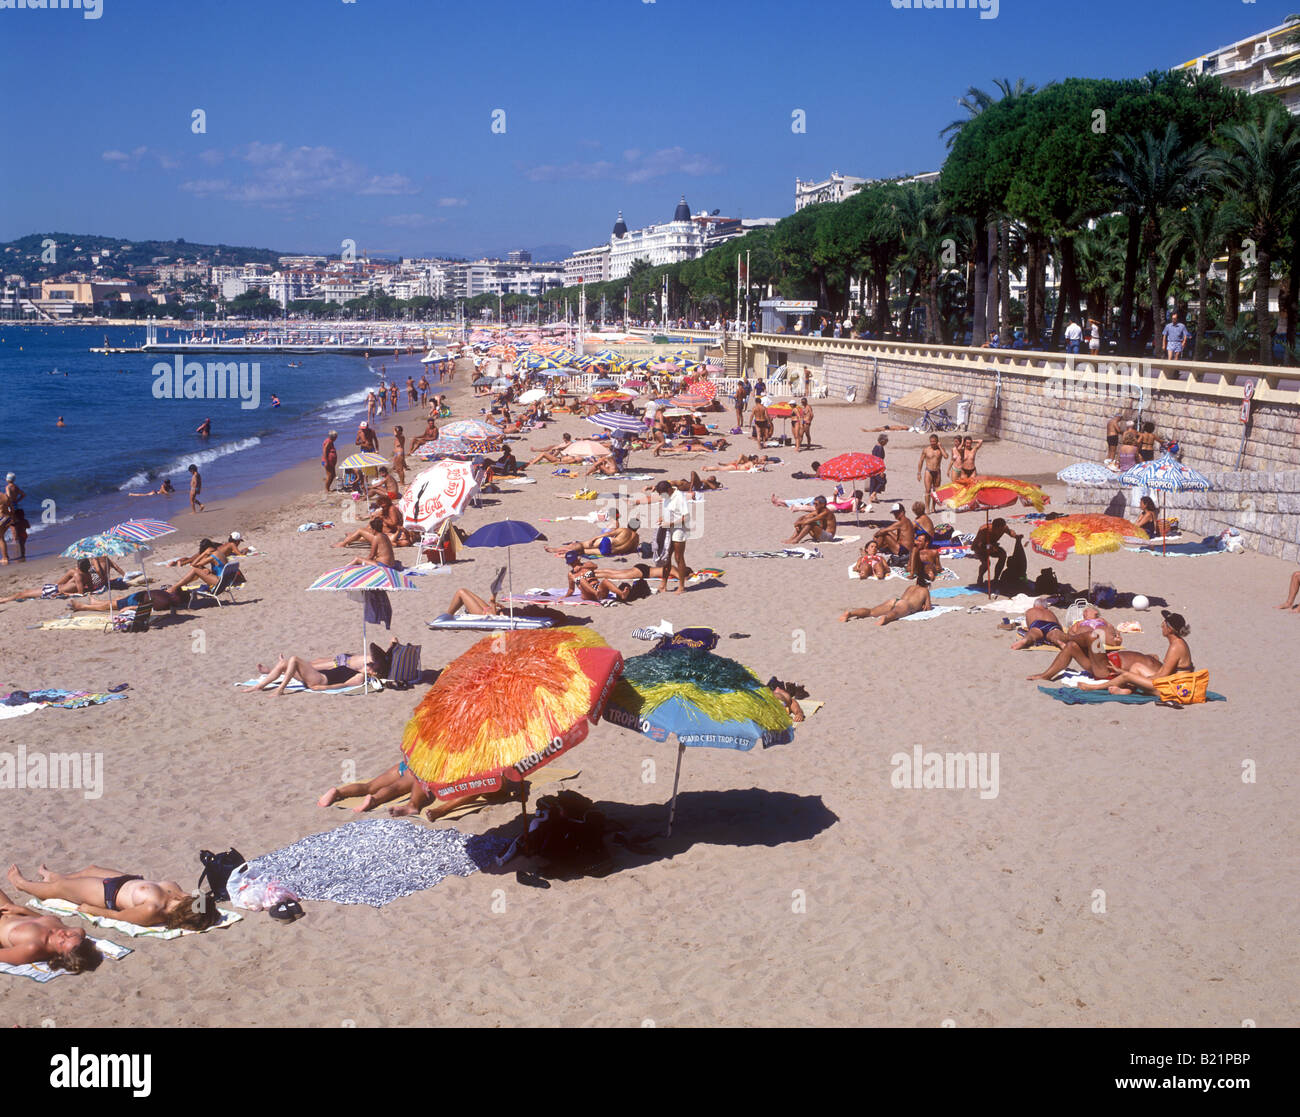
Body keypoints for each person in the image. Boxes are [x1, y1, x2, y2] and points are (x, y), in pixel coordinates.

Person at [8, 863, 218, 931]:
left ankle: (22, 884)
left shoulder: (153, 911)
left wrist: (92, 910)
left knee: (61, 888)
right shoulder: (179, 896)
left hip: (107, 894)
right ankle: (52, 876)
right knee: (88, 870)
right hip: (128, 881)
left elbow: (118, 917)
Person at [0, 873, 101, 972]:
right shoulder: (78, 932)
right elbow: (40, 921)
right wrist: (22, 910)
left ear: (59, 955)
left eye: (62, 942)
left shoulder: (33, 948)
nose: (63, 934)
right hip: (9, 910)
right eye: (69, 935)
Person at [243, 644, 391, 695]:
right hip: (316, 676)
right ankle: (259, 686)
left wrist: (319, 687)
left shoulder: (359, 678)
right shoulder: (359, 672)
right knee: (285, 664)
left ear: (374, 673)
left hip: (319, 679)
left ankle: (280, 689)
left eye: (372, 666)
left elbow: (342, 686)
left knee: (294, 659)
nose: (369, 664)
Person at [318, 760, 434, 817]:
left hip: (406, 763)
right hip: (421, 769)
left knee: (369, 786)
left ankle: (337, 792)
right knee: (395, 788)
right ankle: (374, 799)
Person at [840, 571, 933, 626]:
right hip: (906, 605)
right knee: (894, 614)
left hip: (896, 601)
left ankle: (850, 613)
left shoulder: (910, 587)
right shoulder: (925, 590)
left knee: (871, 612)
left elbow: (902, 599)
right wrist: (922, 607)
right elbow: (928, 608)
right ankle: (886, 618)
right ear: (927, 584)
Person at [0, 558, 95, 604]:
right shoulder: (87, 575)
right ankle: (5, 599)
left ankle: (4, 600)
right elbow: (90, 587)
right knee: (25, 593)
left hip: (55, 590)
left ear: (79, 566)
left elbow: (81, 593)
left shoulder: (77, 575)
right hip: (55, 588)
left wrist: (64, 593)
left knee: (23, 593)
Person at [656, 480, 692, 595]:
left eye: (662, 493)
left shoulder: (679, 497)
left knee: (678, 557)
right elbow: (668, 511)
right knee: (666, 556)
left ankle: (681, 586)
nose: (661, 496)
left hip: (679, 529)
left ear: (669, 490)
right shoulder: (666, 497)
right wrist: (662, 518)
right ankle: (663, 584)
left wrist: (670, 524)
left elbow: (685, 517)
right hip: (668, 529)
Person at [546, 513, 640, 557]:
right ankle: (563, 554)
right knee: (583, 551)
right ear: (637, 528)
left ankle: (556, 549)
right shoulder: (637, 537)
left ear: (628, 524)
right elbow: (632, 550)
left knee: (581, 545)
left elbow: (608, 533)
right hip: (611, 552)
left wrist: (594, 538)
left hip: (608, 542)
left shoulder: (624, 530)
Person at [333, 517, 400, 568]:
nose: (370, 530)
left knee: (357, 559)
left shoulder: (376, 538)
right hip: (392, 565)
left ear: (374, 529)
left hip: (383, 565)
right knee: (365, 560)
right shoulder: (385, 536)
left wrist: (364, 562)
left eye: (371, 529)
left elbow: (371, 555)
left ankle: (343, 569)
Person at [973, 518, 1022, 587]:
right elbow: (979, 544)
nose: (1000, 532)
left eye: (1002, 530)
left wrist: (1015, 536)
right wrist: (989, 547)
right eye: (998, 530)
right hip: (980, 548)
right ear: (994, 527)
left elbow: (1010, 532)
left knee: (1003, 555)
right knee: (986, 563)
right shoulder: (984, 530)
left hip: (993, 545)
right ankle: (980, 577)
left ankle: (996, 579)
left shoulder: (1004, 528)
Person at [917, 434, 947, 512]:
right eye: (931, 441)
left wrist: (940, 447)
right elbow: (921, 461)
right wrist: (919, 473)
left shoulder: (940, 450)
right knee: (927, 490)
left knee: (936, 490)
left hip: (937, 472)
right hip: (928, 471)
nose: (932, 443)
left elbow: (946, 456)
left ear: (937, 441)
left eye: (934, 441)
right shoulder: (926, 450)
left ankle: (933, 507)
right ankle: (927, 508)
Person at [0, 473, 27, 563]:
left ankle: (14, 540)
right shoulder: (16, 487)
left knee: (11, 526)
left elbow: (8, 496)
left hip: (8, 508)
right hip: (14, 505)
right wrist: (17, 500)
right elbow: (23, 494)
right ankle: (16, 538)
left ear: (7, 479)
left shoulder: (7, 487)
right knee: (14, 523)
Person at [868, 434, 888, 499]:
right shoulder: (880, 448)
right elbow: (879, 460)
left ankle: (872, 496)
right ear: (883, 441)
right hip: (877, 468)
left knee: (873, 482)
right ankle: (873, 494)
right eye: (886, 441)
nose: (886, 443)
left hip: (872, 467)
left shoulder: (875, 447)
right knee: (882, 481)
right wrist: (881, 471)